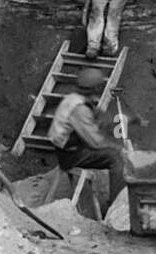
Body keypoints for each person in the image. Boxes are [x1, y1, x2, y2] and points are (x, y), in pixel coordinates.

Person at [48, 66, 124, 194]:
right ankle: (116, 202)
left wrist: (104, 118)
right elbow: (96, 143)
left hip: (66, 148)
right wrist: (116, 146)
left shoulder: (72, 98)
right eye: (99, 86)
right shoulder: (80, 110)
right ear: (95, 88)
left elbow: (95, 113)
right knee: (116, 157)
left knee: (112, 148)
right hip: (71, 156)